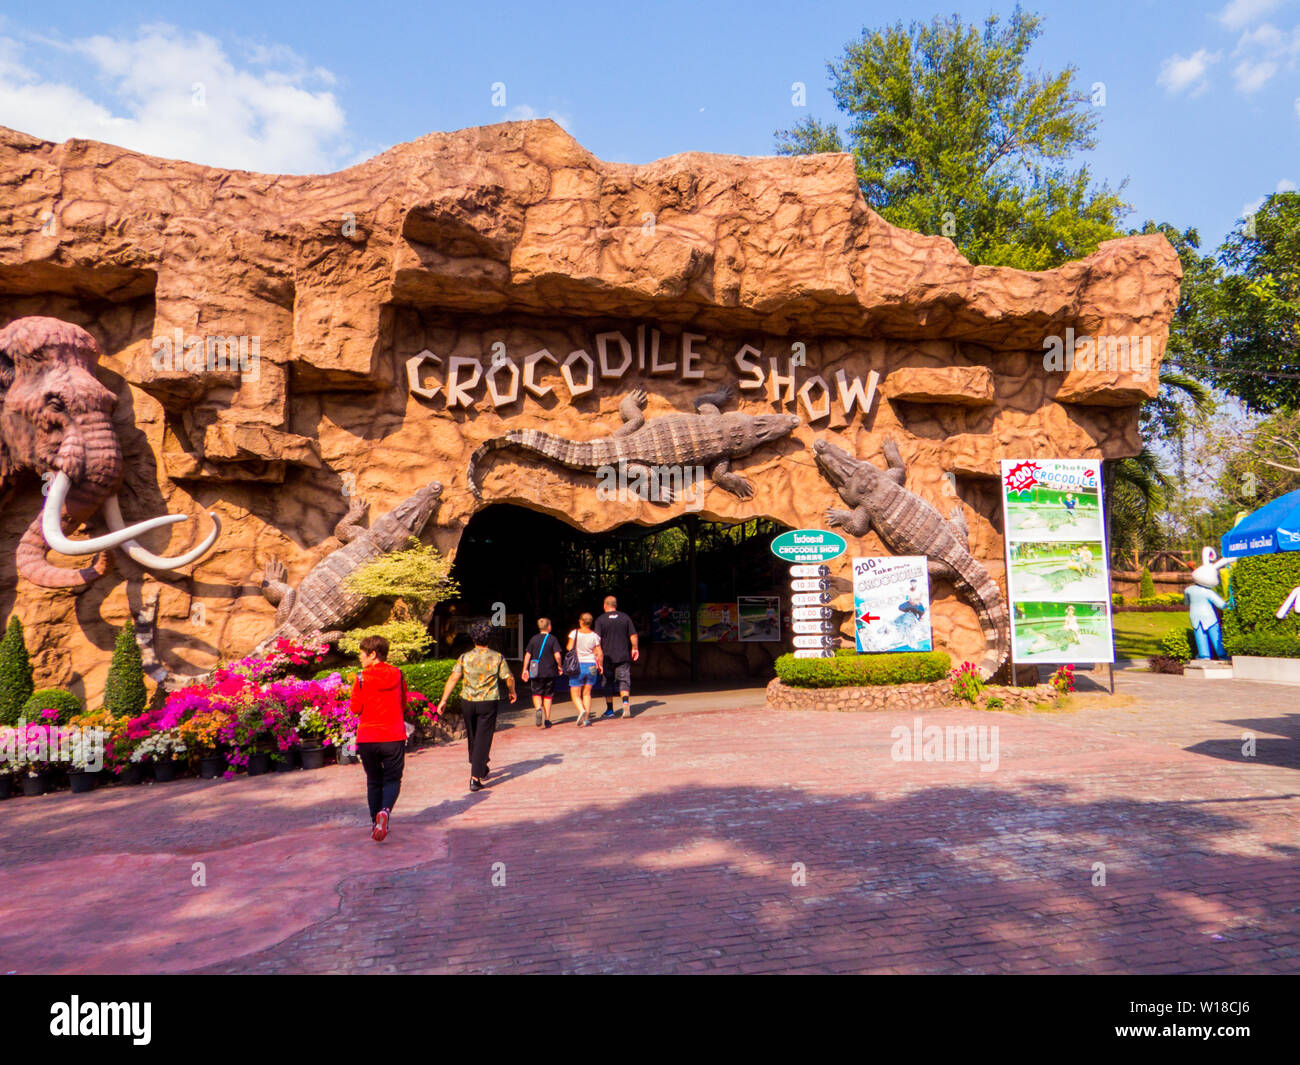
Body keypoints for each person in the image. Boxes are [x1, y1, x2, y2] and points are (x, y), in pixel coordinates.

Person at [437, 620, 516, 792]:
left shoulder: (465, 657)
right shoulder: (497, 657)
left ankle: (479, 765)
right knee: (483, 738)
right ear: (489, 639)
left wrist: (443, 699)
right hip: (488, 702)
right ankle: (475, 777)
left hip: (467, 701)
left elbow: (453, 678)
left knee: (473, 736)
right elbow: (508, 677)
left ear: (473, 639)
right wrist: (512, 691)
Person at [350, 635, 411, 842]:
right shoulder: (398, 674)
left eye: (362, 653)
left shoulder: (360, 677)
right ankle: (384, 812)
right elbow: (403, 703)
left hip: (368, 737)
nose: (360, 657)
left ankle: (374, 823)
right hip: (393, 735)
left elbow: (355, 708)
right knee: (393, 779)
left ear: (372, 654)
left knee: (374, 781)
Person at [594, 596, 638, 719]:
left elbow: (597, 639)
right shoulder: (625, 617)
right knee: (623, 680)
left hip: (606, 657)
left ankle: (609, 710)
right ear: (615, 605)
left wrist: (597, 656)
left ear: (604, 605)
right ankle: (625, 703)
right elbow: (633, 635)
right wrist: (634, 648)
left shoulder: (600, 620)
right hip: (623, 655)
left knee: (607, 682)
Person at [522, 617, 563, 728]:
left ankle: (538, 709)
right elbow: (557, 655)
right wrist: (560, 666)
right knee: (548, 695)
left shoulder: (533, 639)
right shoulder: (553, 639)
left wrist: (525, 669)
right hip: (550, 671)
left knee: (536, 693)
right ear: (549, 627)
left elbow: (528, 655)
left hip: (535, 671)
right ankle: (547, 719)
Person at [567, 612, 603, 726]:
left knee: (575, 693)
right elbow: (599, 652)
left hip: (578, 665)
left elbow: (569, 647)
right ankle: (586, 718)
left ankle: (581, 710)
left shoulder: (574, 633)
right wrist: (600, 665)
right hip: (591, 665)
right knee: (587, 693)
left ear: (581, 621)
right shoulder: (595, 636)